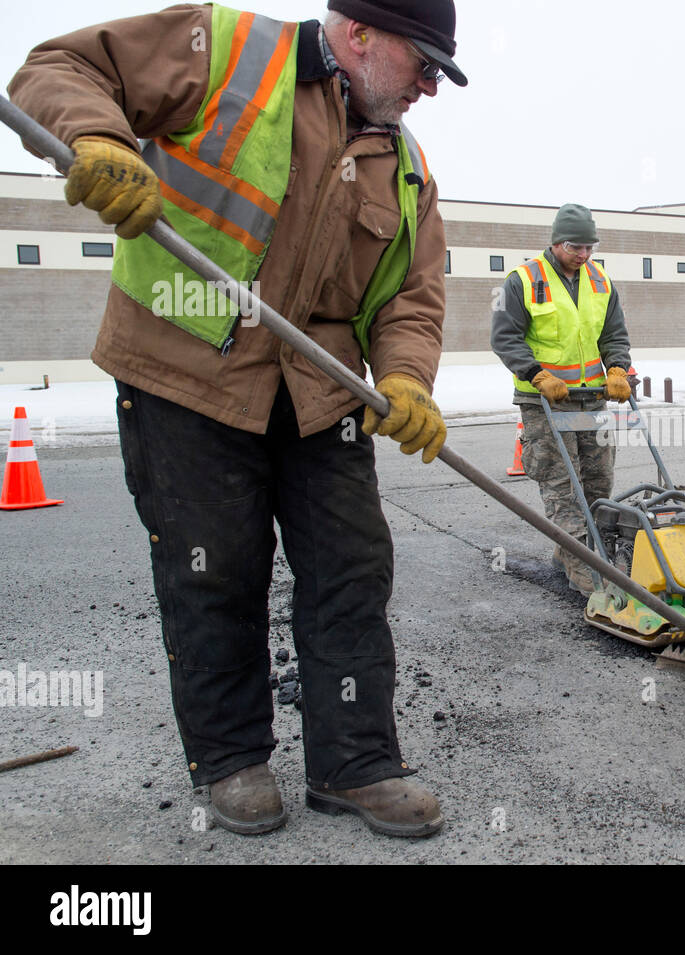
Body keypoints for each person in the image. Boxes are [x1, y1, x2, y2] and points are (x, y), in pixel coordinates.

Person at [8, 0, 469, 837]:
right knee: (212, 570)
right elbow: (55, 70)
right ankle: (232, 760)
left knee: (352, 572)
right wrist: (102, 142)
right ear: (360, 32)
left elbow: (411, 295)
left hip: (321, 391)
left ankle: (356, 763)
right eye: (423, 62)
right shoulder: (222, 50)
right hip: (187, 372)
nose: (429, 87)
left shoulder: (404, 169)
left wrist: (405, 379)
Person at [490, 204, 633, 595]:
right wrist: (537, 375)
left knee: (598, 483)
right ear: (556, 242)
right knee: (561, 485)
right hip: (545, 403)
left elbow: (614, 334)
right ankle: (585, 568)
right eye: (575, 247)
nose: (583, 255)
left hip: (592, 401)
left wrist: (618, 369)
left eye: (589, 247)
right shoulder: (522, 281)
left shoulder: (601, 281)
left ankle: (571, 552)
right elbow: (504, 338)